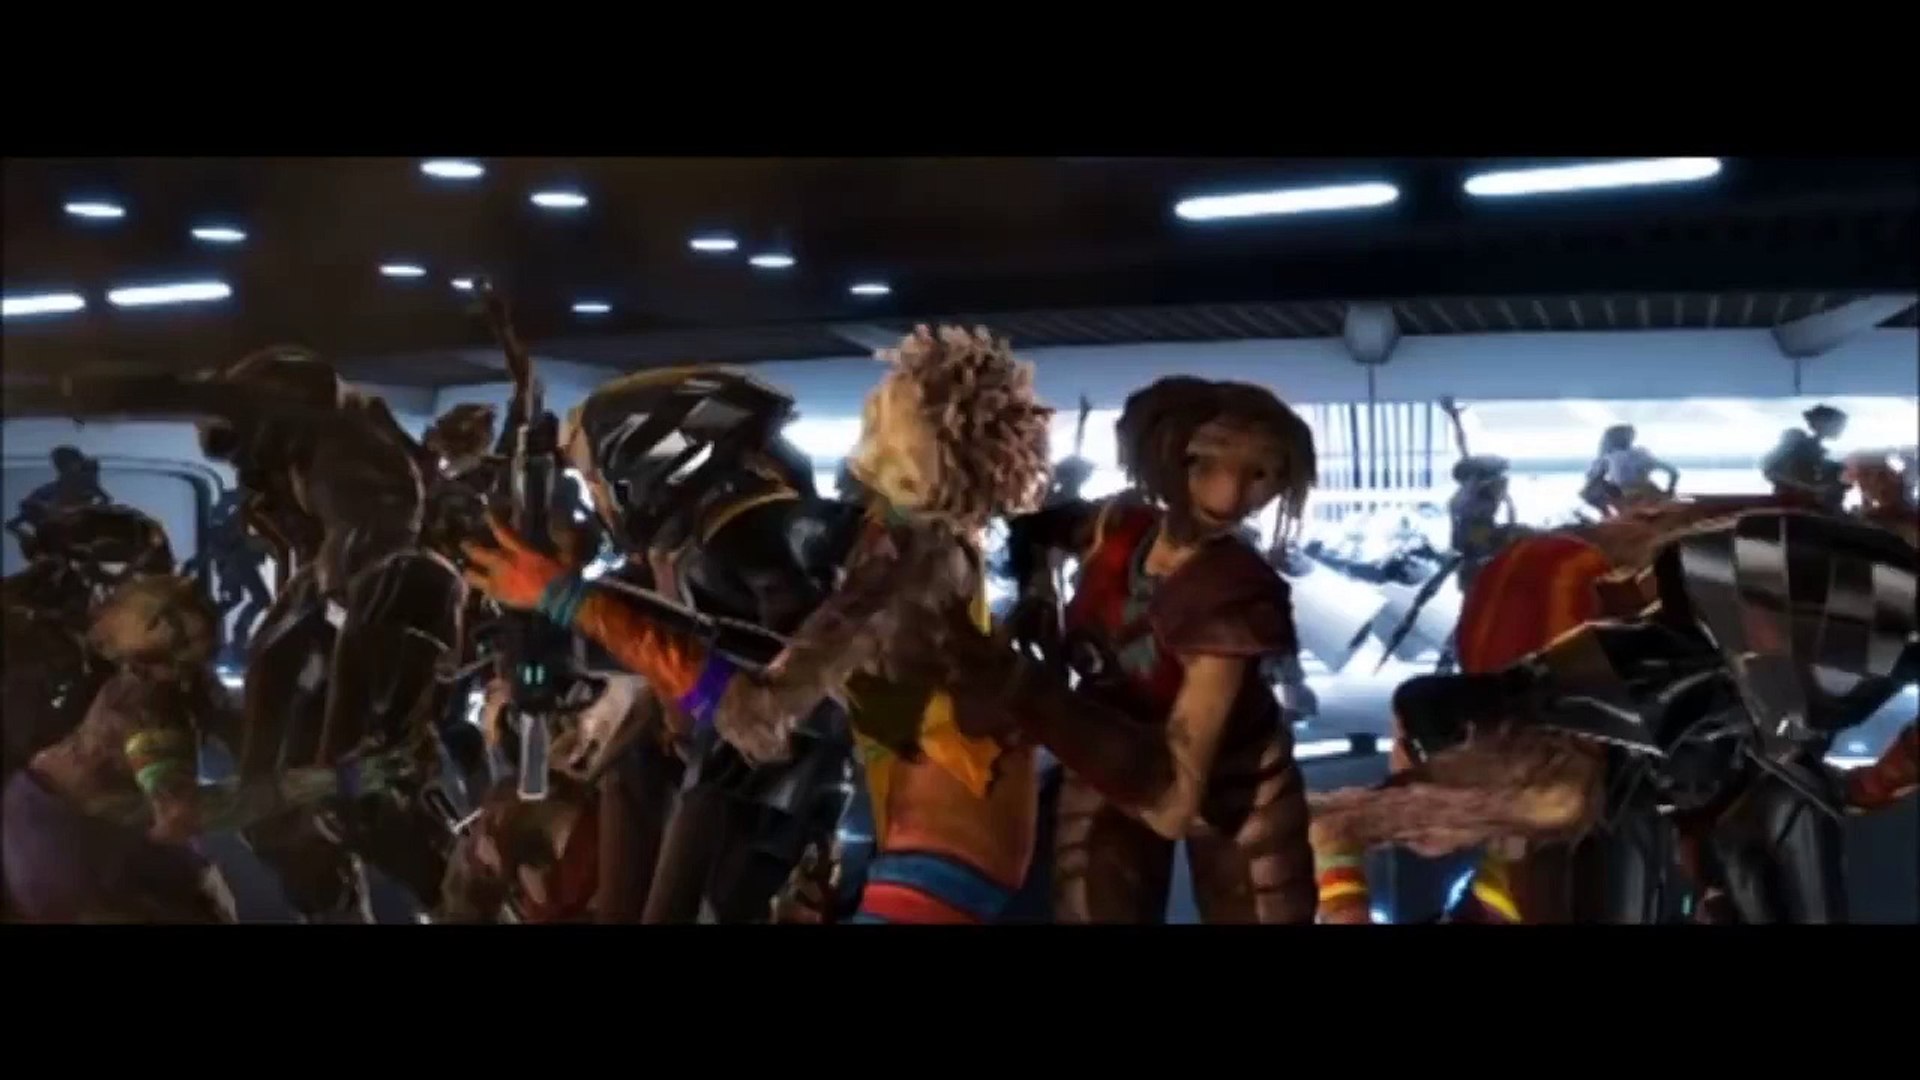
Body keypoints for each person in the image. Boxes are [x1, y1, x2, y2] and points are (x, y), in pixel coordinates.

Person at [464, 326, 1055, 924]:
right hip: (927, 858)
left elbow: (760, 717)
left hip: (935, 873)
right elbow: (756, 649)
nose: (871, 417)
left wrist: (569, 600)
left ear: (916, 458)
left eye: (888, 411)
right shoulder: (918, 549)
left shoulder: (908, 561)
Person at [1000, 376, 1319, 923]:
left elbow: (1174, 801)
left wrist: (1034, 697)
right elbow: (1036, 530)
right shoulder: (1118, 526)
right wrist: (1038, 595)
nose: (1228, 496)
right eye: (1202, 463)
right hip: (1109, 747)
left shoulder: (1234, 589)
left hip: (1237, 779)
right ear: (1163, 452)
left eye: (1260, 474)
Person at [1762, 404, 1850, 511]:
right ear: (1821, 423)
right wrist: (1811, 488)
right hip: (1796, 506)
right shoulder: (1796, 443)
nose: (1841, 428)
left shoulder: (1815, 449)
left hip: (1814, 506)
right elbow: (1771, 470)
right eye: (1838, 424)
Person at [1580, 424, 1677, 515]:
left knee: (1592, 488)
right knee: (1594, 488)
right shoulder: (1640, 454)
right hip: (1639, 496)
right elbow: (1673, 472)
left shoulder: (1618, 457)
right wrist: (1670, 490)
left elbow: (1591, 483)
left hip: (1637, 497)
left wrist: (1669, 491)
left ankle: (1608, 516)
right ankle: (1609, 516)